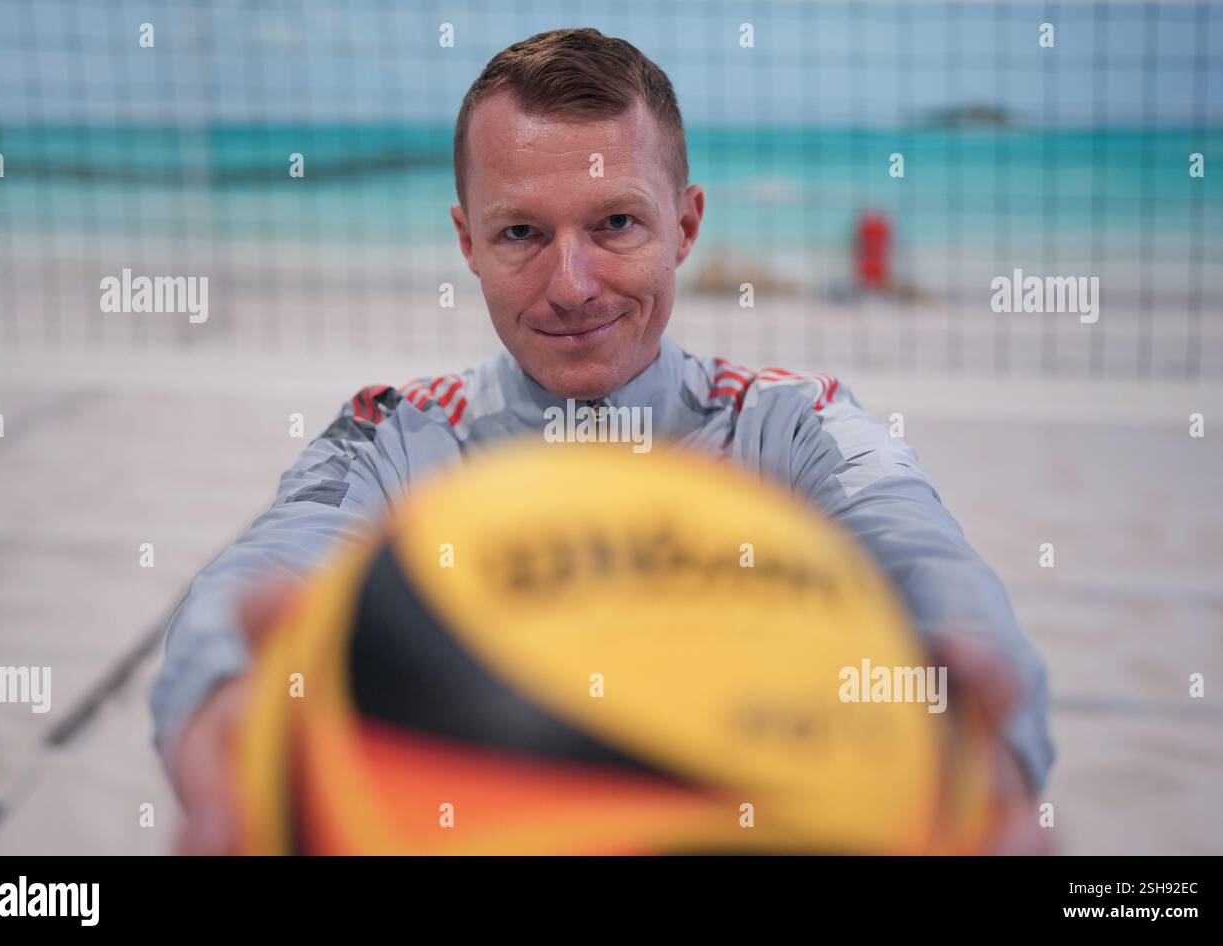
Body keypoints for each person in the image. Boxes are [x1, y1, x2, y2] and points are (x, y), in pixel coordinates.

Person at [151, 27, 1054, 854]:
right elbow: (262, 571)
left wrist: (980, 755)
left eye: (615, 223)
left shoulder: (794, 421)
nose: (572, 284)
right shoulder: (391, 431)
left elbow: (924, 558)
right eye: (522, 233)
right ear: (468, 242)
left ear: (687, 225)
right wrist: (227, 712)